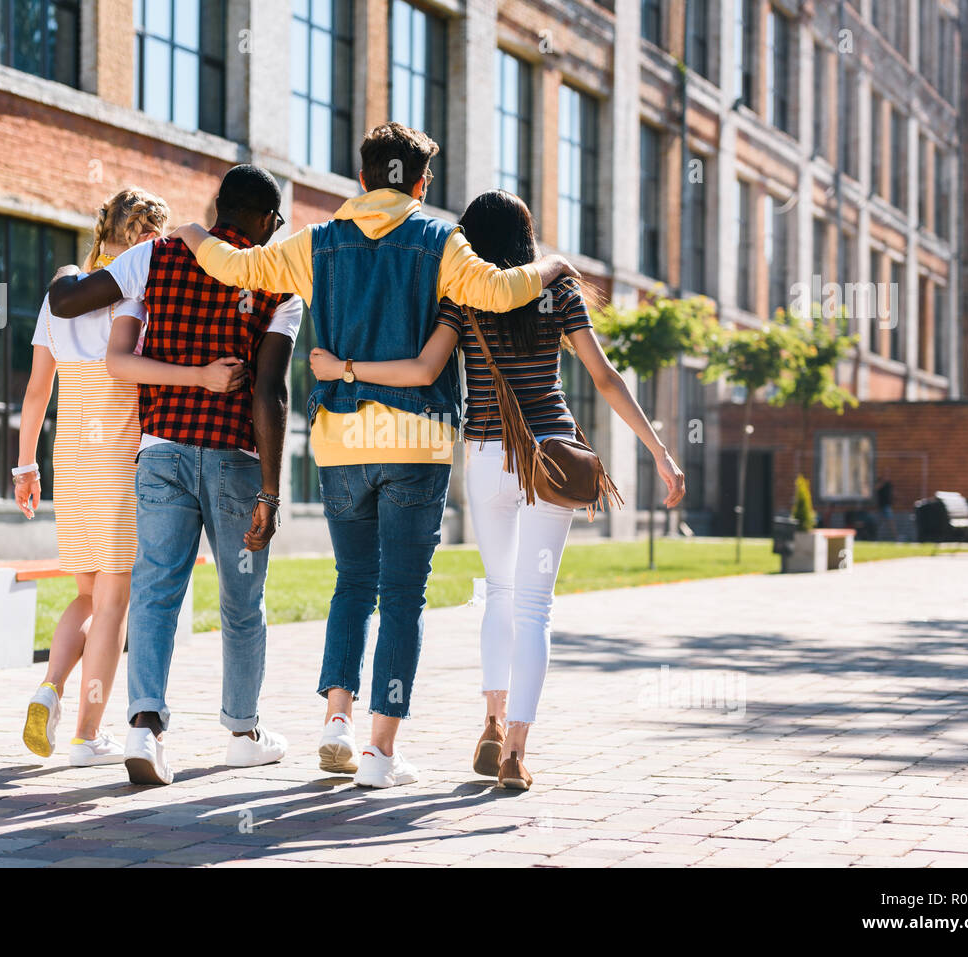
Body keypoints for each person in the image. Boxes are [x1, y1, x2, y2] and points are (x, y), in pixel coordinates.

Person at [172, 123, 580, 788]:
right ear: (420, 183)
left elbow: (235, 267)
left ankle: (337, 720)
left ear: (361, 178)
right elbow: (506, 291)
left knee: (351, 583)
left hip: (339, 444)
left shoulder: (316, 241)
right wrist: (553, 266)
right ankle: (380, 755)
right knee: (403, 597)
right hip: (416, 447)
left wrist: (194, 234)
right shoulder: (440, 241)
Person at [310, 189, 685, 790]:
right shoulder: (558, 290)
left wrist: (345, 370)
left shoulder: (462, 294)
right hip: (554, 461)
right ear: (528, 237)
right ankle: (514, 750)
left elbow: (422, 371)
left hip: (488, 455)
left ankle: (488, 720)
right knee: (535, 607)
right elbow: (605, 378)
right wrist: (659, 452)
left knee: (500, 592)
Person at [47, 165, 304, 786]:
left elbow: (67, 302)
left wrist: (65, 274)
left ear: (217, 206)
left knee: (157, 593)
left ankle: (143, 727)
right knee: (243, 602)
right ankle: (243, 732)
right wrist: (270, 492)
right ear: (269, 221)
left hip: (159, 454)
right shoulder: (280, 281)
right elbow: (271, 392)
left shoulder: (154, 256)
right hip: (235, 461)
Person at [17, 186, 246, 766]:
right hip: (120, 458)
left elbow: (37, 389)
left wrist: (26, 465)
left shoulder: (59, 298)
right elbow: (136, 366)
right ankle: (87, 736)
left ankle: (50, 687)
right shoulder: (134, 299)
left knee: (85, 592)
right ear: (146, 240)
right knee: (115, 602)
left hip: (70, 456)